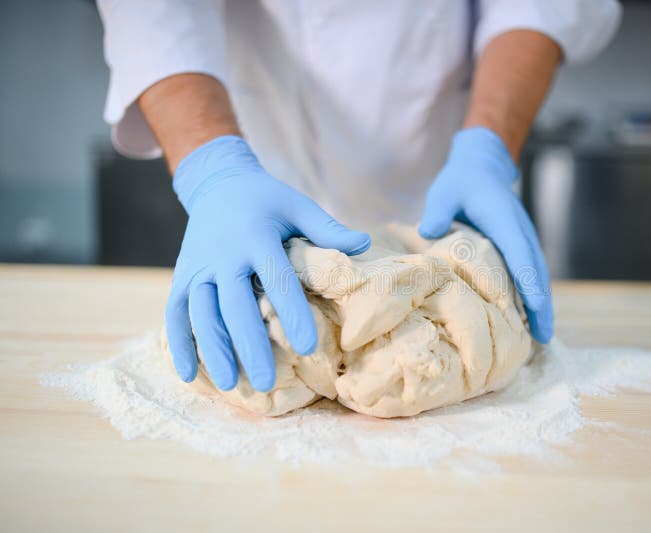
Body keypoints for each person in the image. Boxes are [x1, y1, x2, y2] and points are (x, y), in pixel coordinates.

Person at [97, 1, 621, 393]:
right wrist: (212, 168)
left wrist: (488, 146)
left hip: (439, 196)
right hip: (253, 182)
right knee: (251, 310)